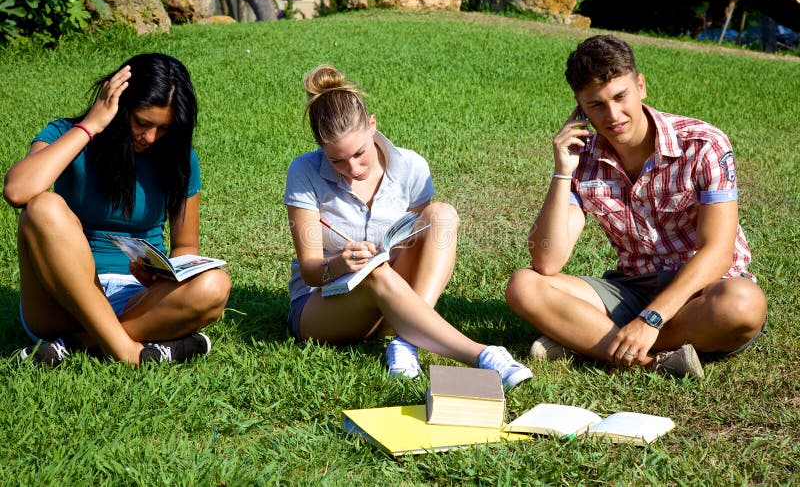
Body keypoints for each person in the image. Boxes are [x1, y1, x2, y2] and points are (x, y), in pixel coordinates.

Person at [504, 35, 767, 379]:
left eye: (620, 96)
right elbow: (547, 261)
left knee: (743, 305)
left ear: (640, 86)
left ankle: (586, 339)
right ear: (579, 107)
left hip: (702, 290)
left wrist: (650, 319)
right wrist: (562, 171)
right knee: (524, 285)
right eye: (596, 104)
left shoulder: (703, 144)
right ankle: (651, 361)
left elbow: (717, 252)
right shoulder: (581, 158)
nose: (613, 115)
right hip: (632, 288)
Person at [284, 65, 532, 390]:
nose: (353, 169)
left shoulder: (411, 166)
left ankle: (406, 340)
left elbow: (413, 242)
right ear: (321, 150)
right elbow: (311, 271)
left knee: (441, 214)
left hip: (394, 296)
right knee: (376, 274)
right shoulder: (304, 171)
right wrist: (339, 264)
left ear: (372, 125)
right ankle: (483, 356)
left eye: (360, 154)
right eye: (337, 161)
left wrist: (391, 257)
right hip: (322, 308)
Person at [3, 53, 231, 367]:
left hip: (135, 297)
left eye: (163, 128)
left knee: (215, 285)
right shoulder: (65, 134)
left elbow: (186, 246)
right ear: (120, 105)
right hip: (62, 296)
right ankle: (131, 353)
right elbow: (17, 191)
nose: (150, 137)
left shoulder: (178, 157)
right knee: (43, 206)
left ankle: (77, 345)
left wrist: (161, 276)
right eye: (142, 123)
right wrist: (91, 125)